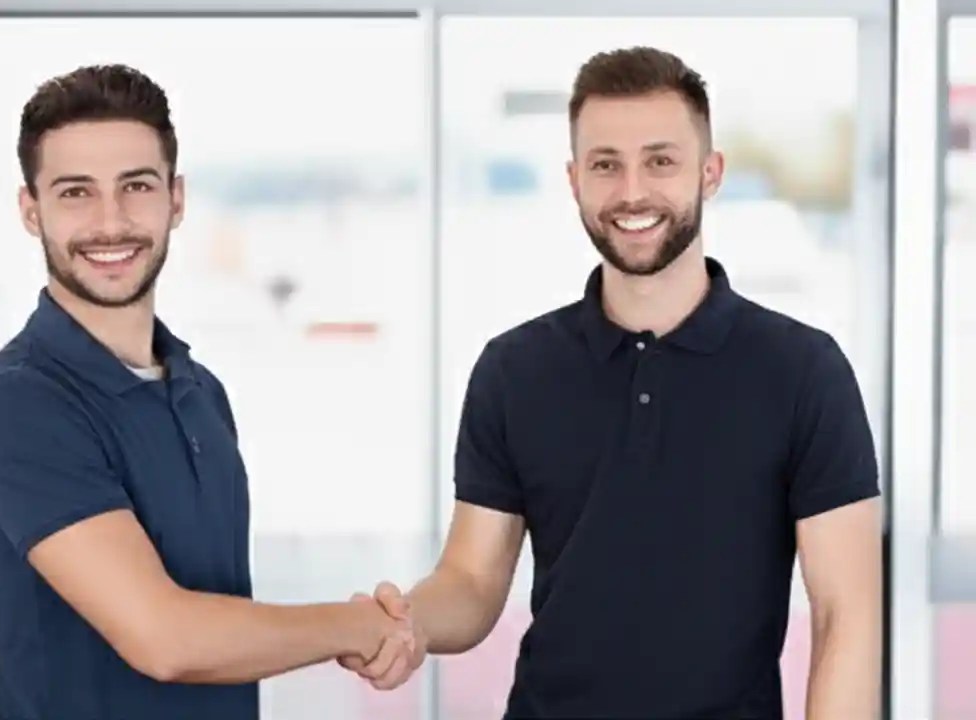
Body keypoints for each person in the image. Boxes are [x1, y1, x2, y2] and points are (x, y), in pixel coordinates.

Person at [340, 46, 883, 719]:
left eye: (660, 161)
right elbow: (473, 580)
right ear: (574, 180)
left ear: (709, 173)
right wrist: (409, 619)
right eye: (606, 165)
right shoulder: (513, 370)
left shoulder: (804, 371)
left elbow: (846, 616)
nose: (632, 192)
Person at [0, 64, 412, 720]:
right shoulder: (15, 407)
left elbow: (219, 628)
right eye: (76, 192)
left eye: (135, 186)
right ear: (31, 211)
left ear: (177, 198)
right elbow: (165, 639)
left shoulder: (199, 391)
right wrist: (356, 627)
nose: (110, 223)